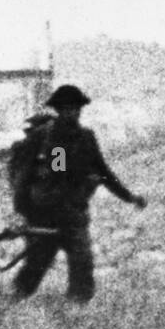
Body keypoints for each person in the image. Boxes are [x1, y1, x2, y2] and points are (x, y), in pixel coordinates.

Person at [9, 85, 146, 302]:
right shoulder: (46, 137)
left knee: (82, 261)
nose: (72, 113)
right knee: (37, 263)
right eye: (67, 109)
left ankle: (77, 307)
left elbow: (104, 172)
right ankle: (13, 298)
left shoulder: (86, 138)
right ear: (58, 110)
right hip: (46, 214)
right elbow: (27, 178)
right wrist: (20, 212)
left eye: (76, 108)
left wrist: (129, 196)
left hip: (73, 213)